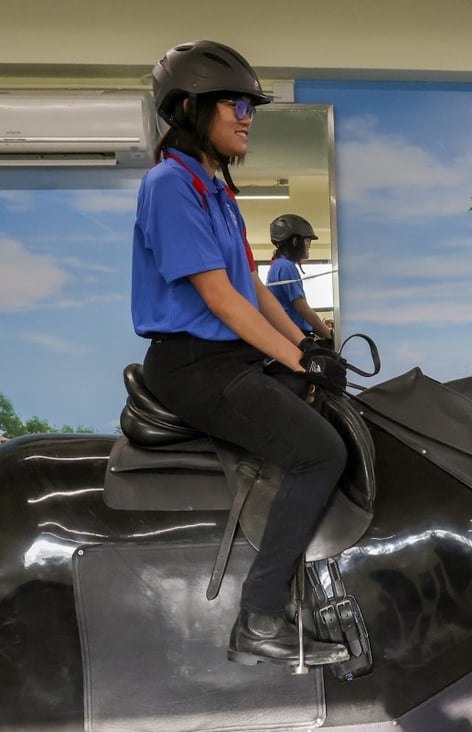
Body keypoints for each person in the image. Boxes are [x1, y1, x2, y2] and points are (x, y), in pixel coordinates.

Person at [131, 39, 350, 667]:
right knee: (318, 453)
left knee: (335, 417)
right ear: (189, 108)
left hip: (227, 358)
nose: (247, 114)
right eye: (235, 102)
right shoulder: (170, 184)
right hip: (194, 364)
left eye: (250, 103)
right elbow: (222, 300)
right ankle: (259, 617)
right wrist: (296, 360)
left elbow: (253, 286)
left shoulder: (215, 189)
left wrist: (306, 344)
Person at [266, 214, 335, 345]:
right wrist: (329, 335)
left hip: (286, 335)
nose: (309, 246)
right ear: (295, 241)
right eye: (307, 240)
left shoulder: (277, 265)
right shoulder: (286, 266)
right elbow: (302, 308)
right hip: (293, 337)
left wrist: (319, 325)